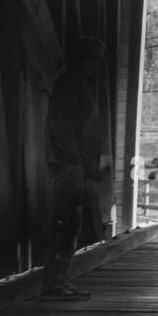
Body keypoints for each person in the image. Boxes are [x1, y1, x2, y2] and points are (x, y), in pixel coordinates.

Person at [41, 35, 106, 299]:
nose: (101, 62)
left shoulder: (75, 83)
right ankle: (57, 284)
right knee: (66, 222)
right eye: (97, 56)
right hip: (67, 164)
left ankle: (60, 280)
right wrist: (73, 159)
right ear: (87, 57)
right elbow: (62, 125)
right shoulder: (71, 84)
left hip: (71, 162)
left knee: (69, 222)